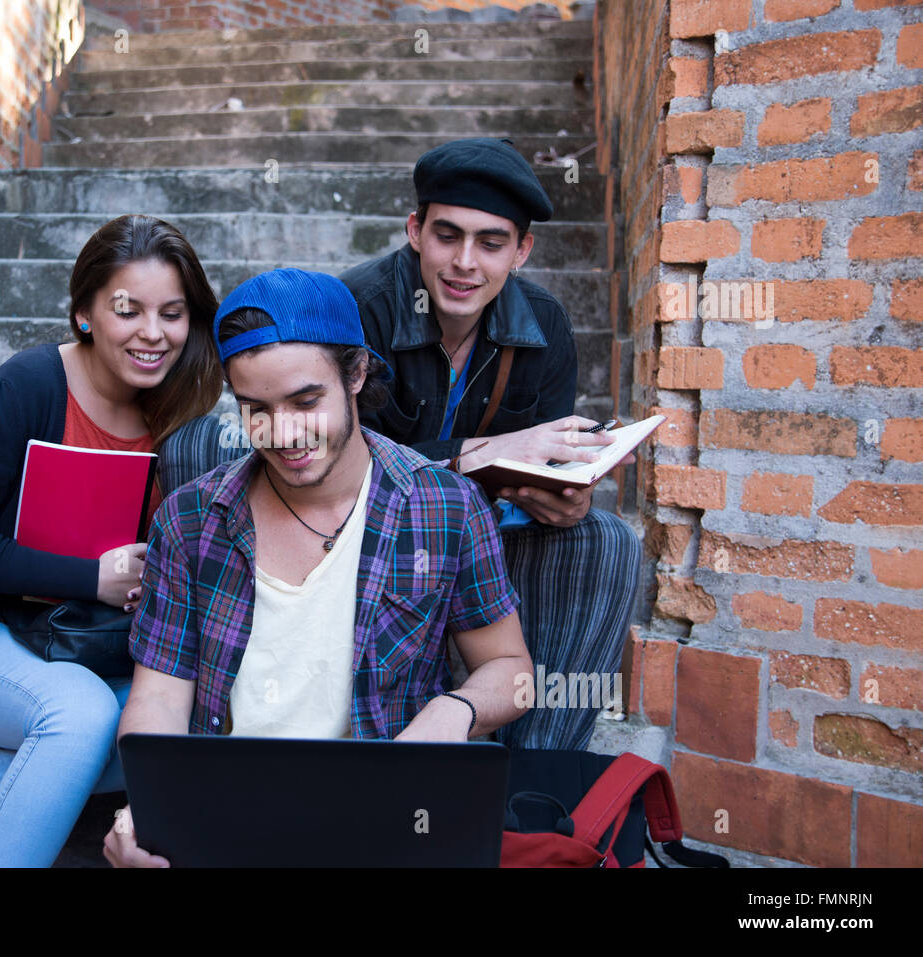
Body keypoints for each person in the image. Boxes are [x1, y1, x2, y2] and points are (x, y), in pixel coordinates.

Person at [103, 268, 532, 868]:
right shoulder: (190, 518)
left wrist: (454, 710)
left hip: (386, 827)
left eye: (307, 401)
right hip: (224, 826)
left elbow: (512, 671)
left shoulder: (444, 506)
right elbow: (158, 702)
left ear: (356, 374)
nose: (286, 434)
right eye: (258, 409)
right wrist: (146, 807)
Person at [0, 215, 222, 867]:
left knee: (189, 726)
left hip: (97, 642)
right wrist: (93, 578)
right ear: (85, 314)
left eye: (173, 313)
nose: (153, 333)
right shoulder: (25, 386)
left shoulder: (183, 412)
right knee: (83, 712)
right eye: (128, 310)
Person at [337, 137, 641, 751]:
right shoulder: (358, 308)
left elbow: (545, 466)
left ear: (522, 251)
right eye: (448, 235)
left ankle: (537, 771)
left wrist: (565, 497)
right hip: (370, 533)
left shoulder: (545, 324)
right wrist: (475, 453)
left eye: (491, 243)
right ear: (416, 230)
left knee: (606, 537)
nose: (465, 263)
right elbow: (333, 462)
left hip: (486, 533)